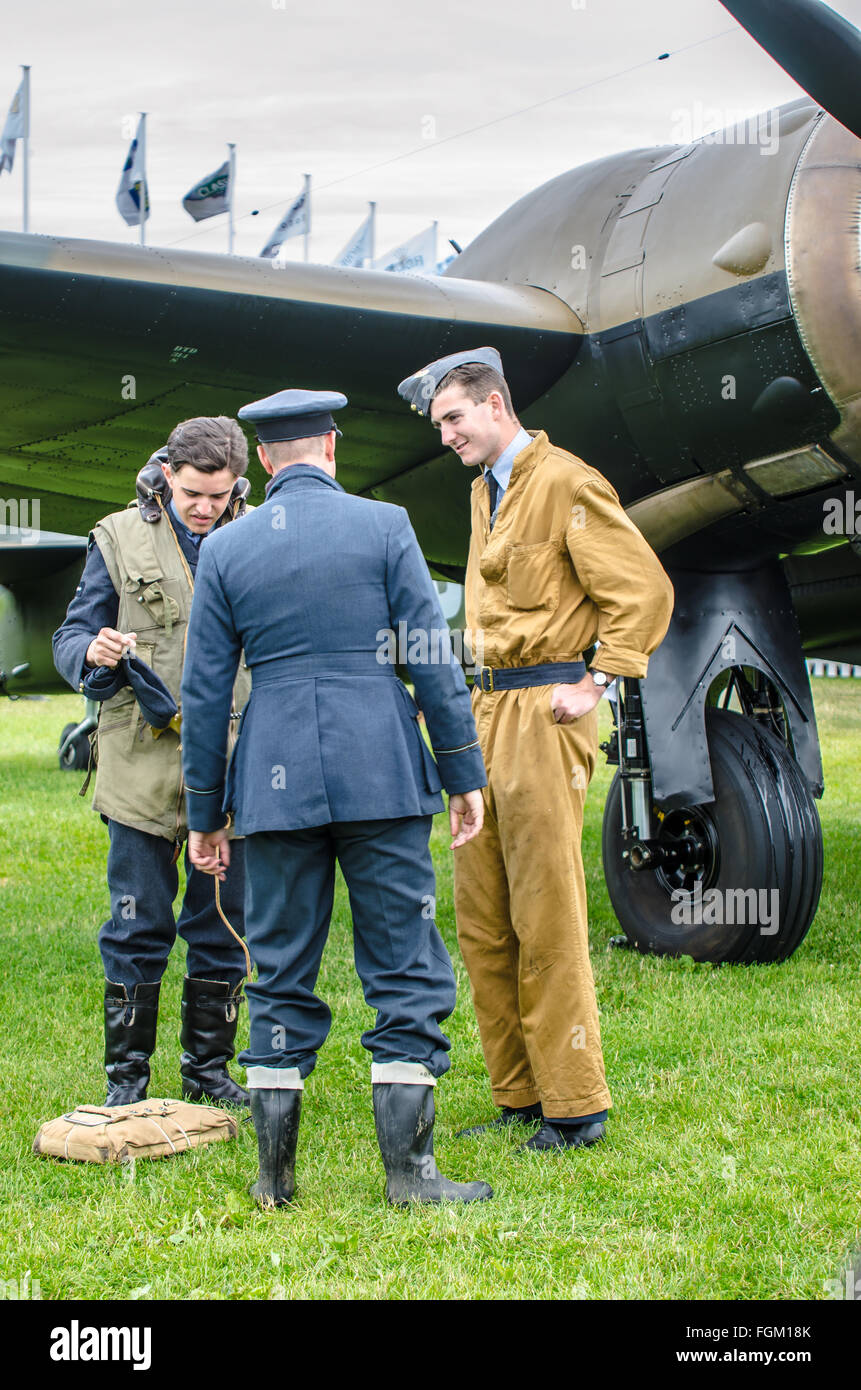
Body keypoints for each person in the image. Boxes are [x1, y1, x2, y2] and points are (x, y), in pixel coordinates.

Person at [180, 388, 493, 1208]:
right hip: (381, 771)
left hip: (273, 782)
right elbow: (430, 655)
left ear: (266, 462)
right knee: (403, 965)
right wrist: (463, 774)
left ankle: (274, 1181)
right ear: (330, 447)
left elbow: (206, 693)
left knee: (279, 968)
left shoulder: (225, 549)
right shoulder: (384, 526)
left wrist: (204, 815)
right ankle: (410, 1175)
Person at [397, 347, 674, 1151]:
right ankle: (518, 1094)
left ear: (494, 406)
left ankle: (574, 1105)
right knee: (484, 916)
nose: (445, 433)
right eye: (439, 422)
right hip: (482, 712)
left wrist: (597, 684)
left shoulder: (563, 481)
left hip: (540, 716)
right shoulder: (490, 488)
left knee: (545, 911)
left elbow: (643, 591)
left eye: (453, 417)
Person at [52, 417, 252, 1108]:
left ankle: (208, 1073)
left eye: (219, 496)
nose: (205, 507)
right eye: (193, 492)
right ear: (166, 474)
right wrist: (91, 653)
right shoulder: (116, 536)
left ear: (237, 487)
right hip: (140, 760)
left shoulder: (258, 536)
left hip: (232, 764)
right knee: (136, 924)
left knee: (224, 921)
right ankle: (126, 1081)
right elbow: (70, 634)